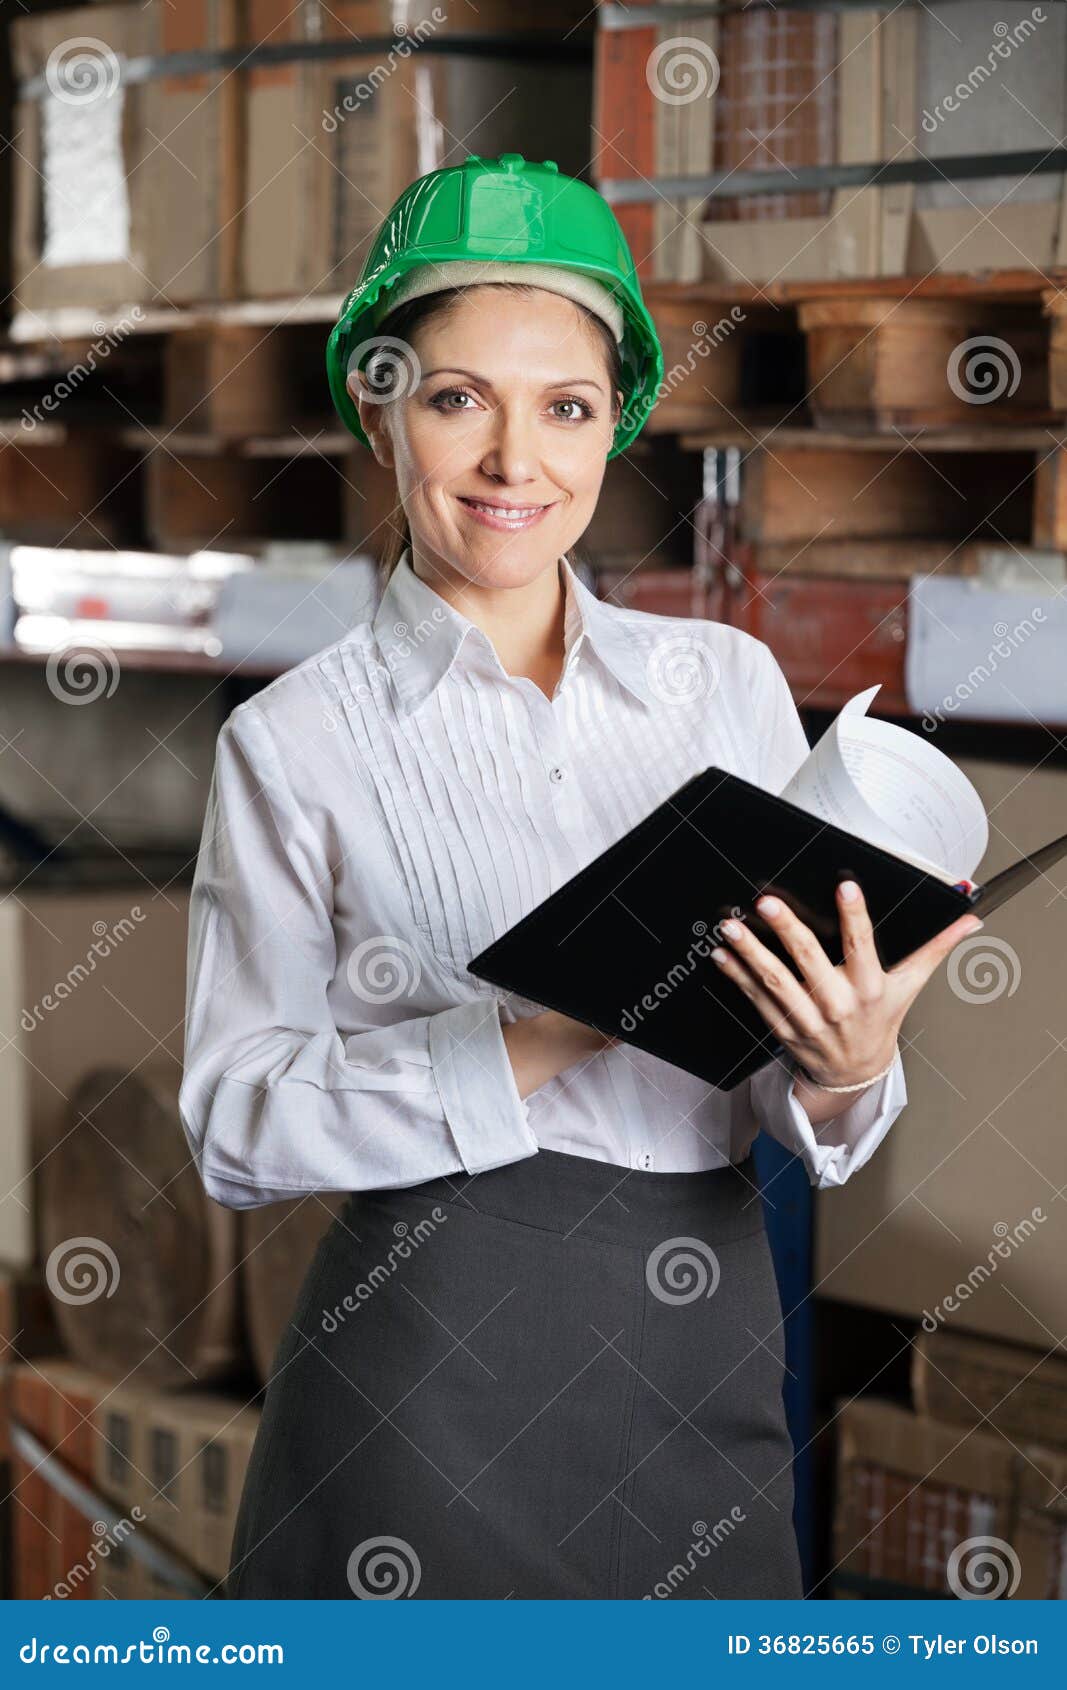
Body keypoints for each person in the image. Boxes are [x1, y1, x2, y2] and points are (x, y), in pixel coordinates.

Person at [177, 153, 984, 1601]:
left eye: (565, 406)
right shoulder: (293, 743)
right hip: (428, 1366)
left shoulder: (722, 687)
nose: (513, 462)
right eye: (455, 398)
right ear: (380, 406)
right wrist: (544, 1030)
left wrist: (849, 1065)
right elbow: (236, 1122)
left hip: (706, 1340)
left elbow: (780, 1087)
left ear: (615, 423)